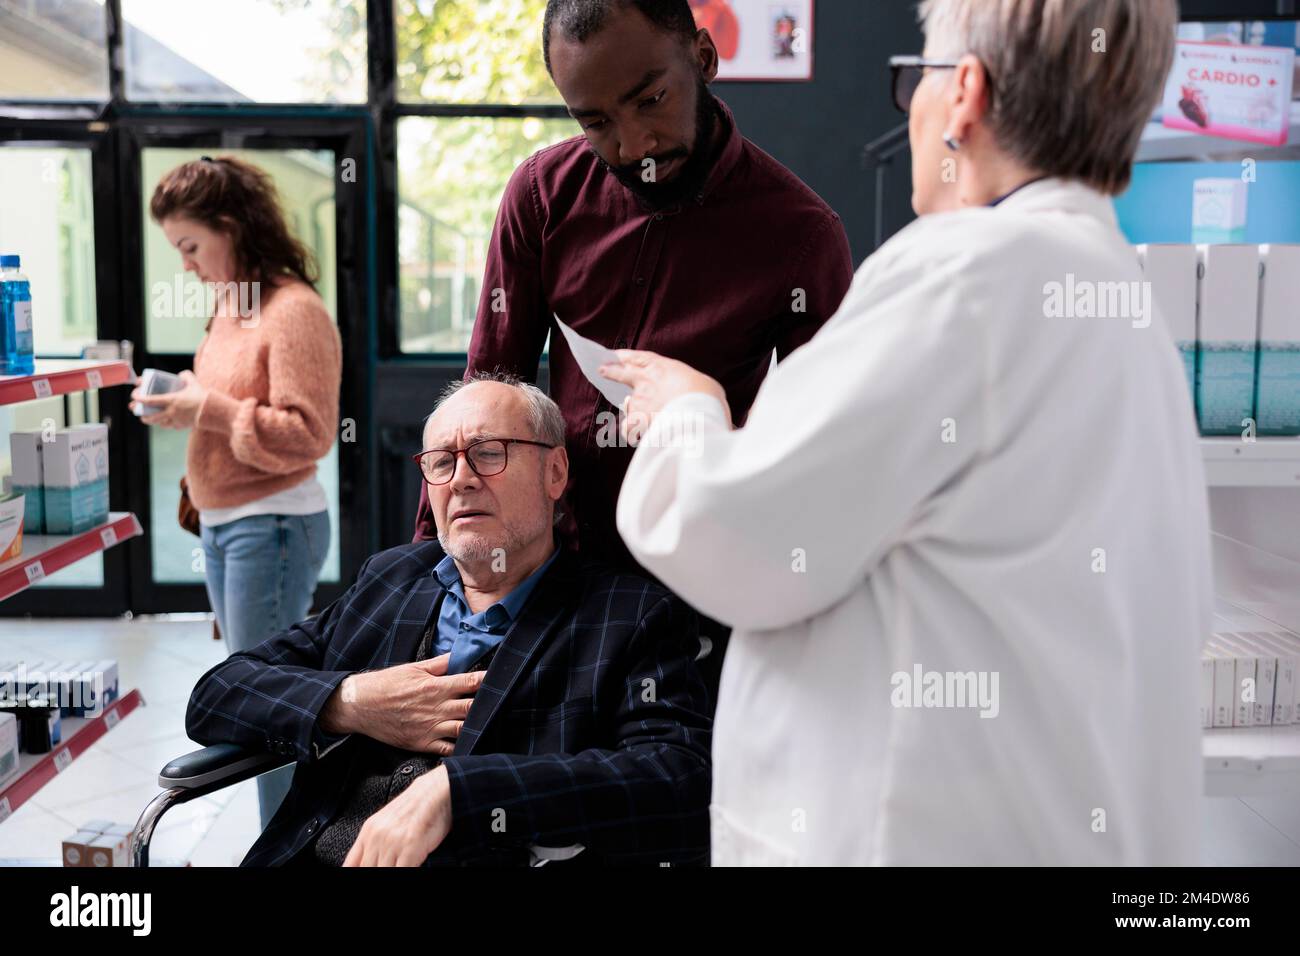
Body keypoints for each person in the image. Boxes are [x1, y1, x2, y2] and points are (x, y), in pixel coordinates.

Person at [607, 0, 1211, 864]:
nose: (915, 107)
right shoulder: (1118, 302)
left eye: (915, 80)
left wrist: (686, 416)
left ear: (964, 92)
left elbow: (734, 538)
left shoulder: (968, 272)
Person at [186, 375, 713, 866]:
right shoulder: (390, 580)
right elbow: (215, 694)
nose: (461, 480)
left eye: (488, 454)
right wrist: (349, 702)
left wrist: (460, 791)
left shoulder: (628, 612)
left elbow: (679, 779)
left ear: (555, 473)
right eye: (441, 462)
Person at [410, 0, 854, 577]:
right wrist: (424, 571)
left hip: (699, 576)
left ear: (703, 57)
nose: (634, 146)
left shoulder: (803, 235)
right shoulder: (542, 196)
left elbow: (819, 451)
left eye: (651, 101)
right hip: (545, 574)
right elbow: (486, 395)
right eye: (596, 122)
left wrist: (703, 428)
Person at [131, 155, 341, 829]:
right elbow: (223, 403)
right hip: (230, 526)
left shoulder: (293, 312)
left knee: (267, 711)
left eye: (191, 246)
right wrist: (185, 406)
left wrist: (207, 409)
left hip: (271, 527)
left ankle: (284, 850)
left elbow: (309, 435)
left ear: (231, 226)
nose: (186, 265)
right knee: (260, 704)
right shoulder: (232, 307)